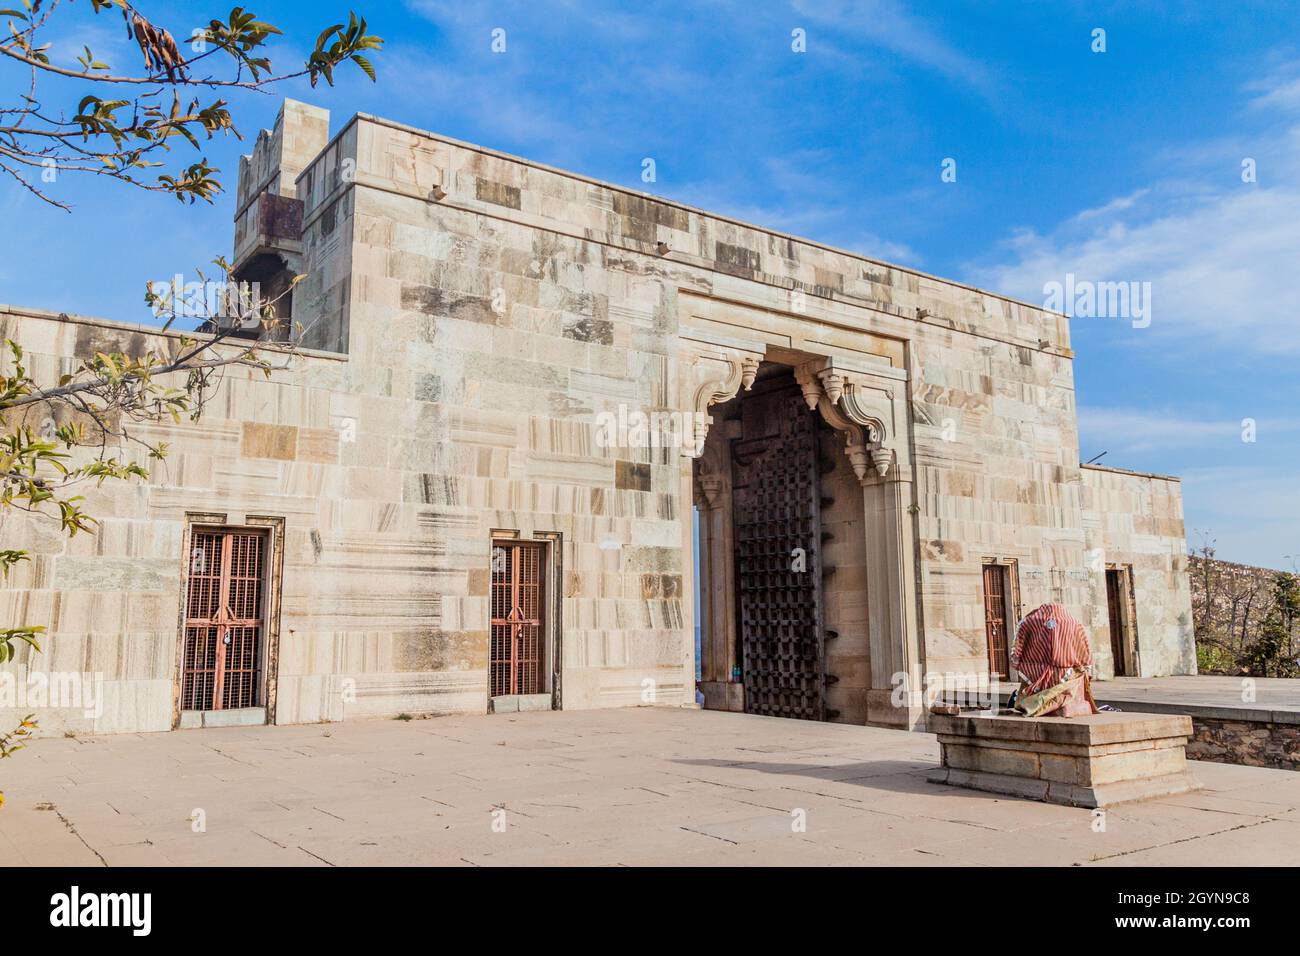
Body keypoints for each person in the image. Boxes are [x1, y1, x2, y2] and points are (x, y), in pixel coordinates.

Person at [1009, 603, 1098, 717]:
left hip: (1034, 671)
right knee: (1078, 676)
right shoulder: (1073, 622)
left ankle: (1033, 705)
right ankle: (1058, 705)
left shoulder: (1028, 622)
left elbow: (1017, 649)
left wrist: (1021, 662)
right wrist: (1084, 665)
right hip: (1065, 671)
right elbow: (1083, 648)